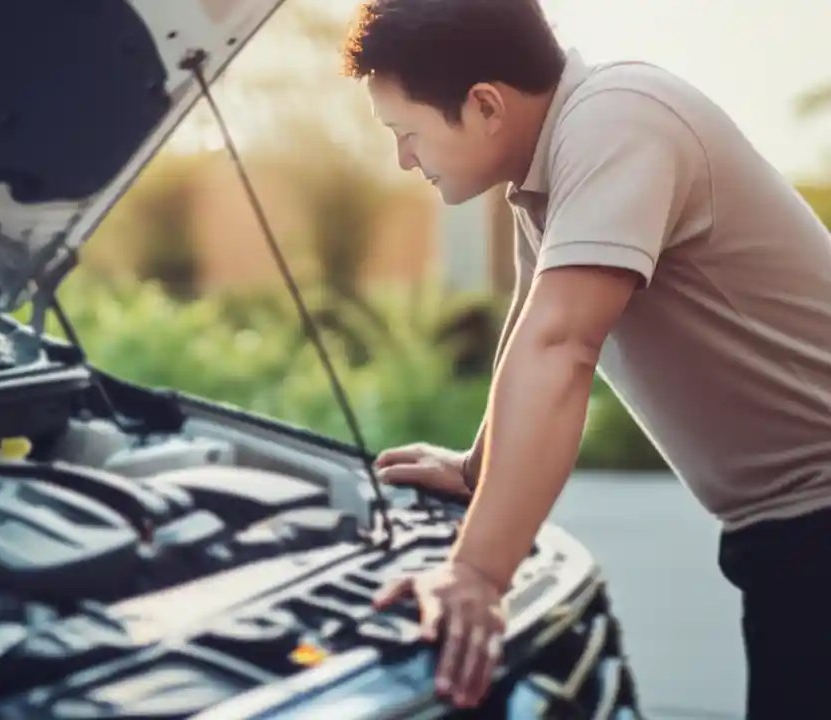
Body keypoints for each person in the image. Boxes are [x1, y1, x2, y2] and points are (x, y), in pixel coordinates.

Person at [339, 0, 831, 716]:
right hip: (793, 530)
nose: (404, 158)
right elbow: (532, 326)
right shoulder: (555, 160)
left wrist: (475, 574)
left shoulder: (617, 122)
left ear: (483, 105)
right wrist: (479, 468)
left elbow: (563, 345)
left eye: (406, 132)